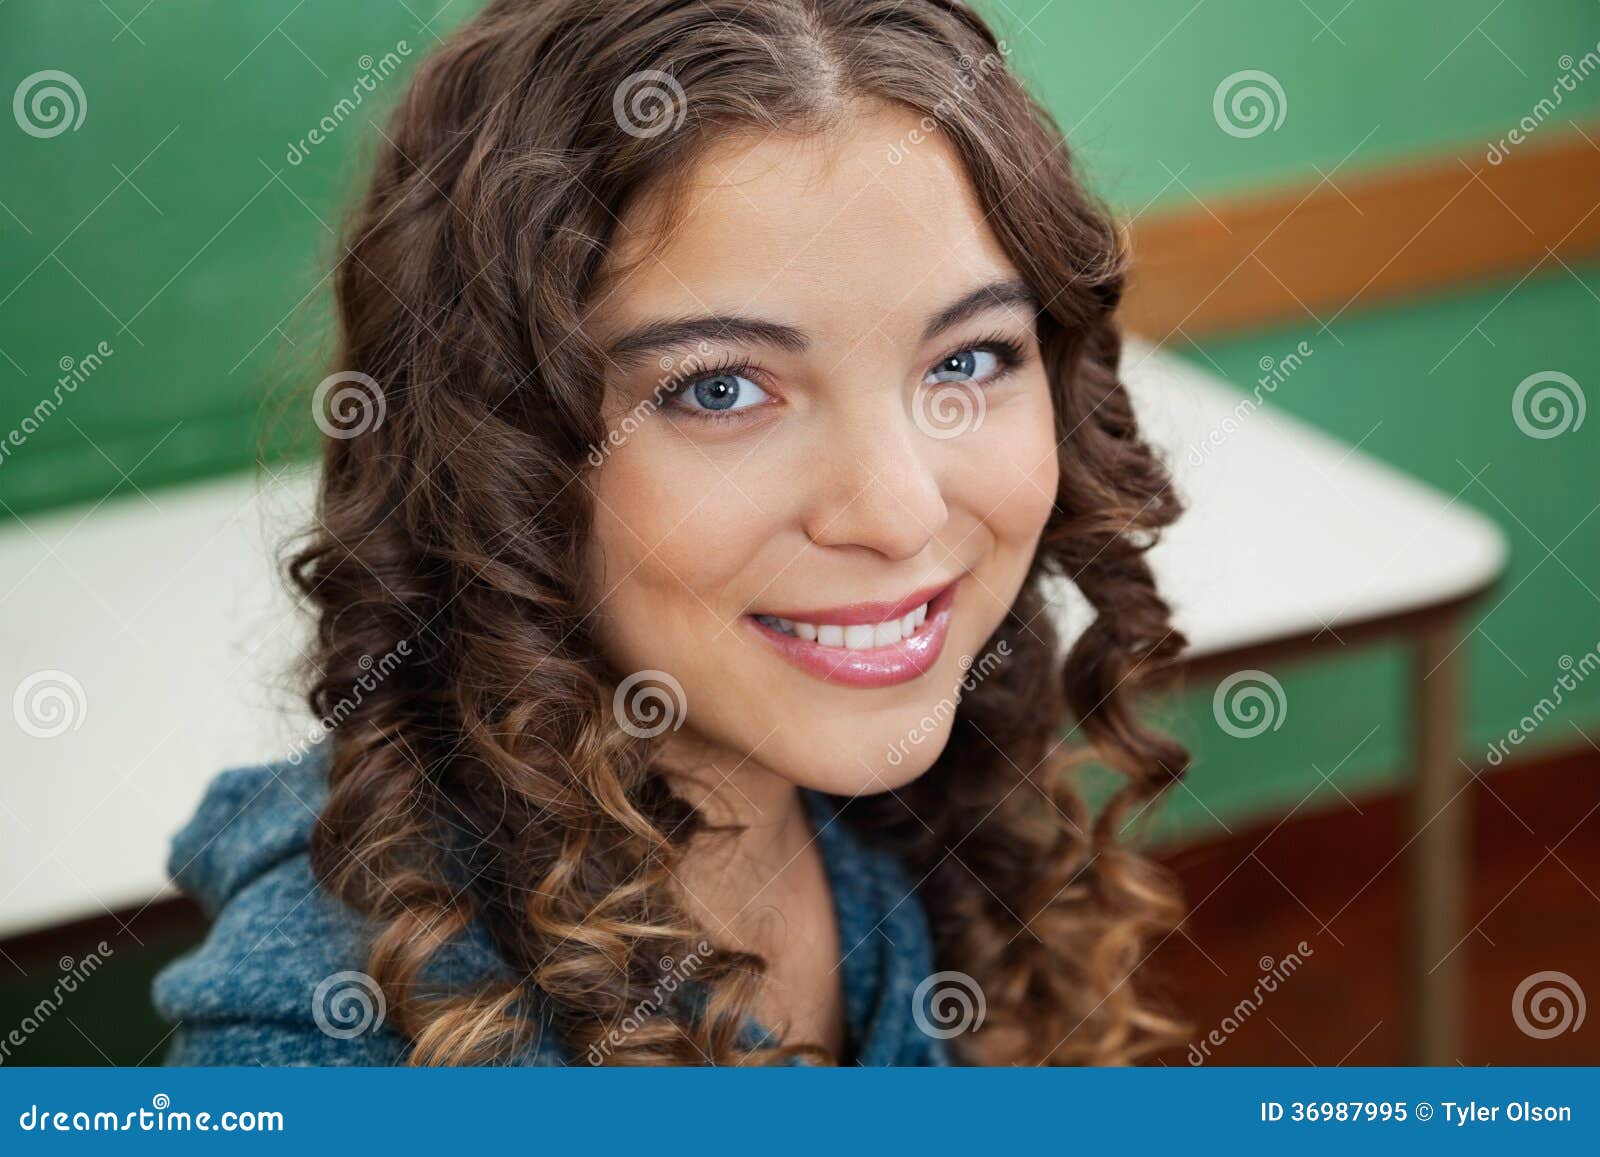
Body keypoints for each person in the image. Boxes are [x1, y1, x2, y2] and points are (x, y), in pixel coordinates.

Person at [154, 0, 1189, 1066]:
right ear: (492, 450)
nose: (901, 512)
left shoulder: (912, 792)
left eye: (967, 360)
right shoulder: (321, 1046)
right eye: (720, 388)